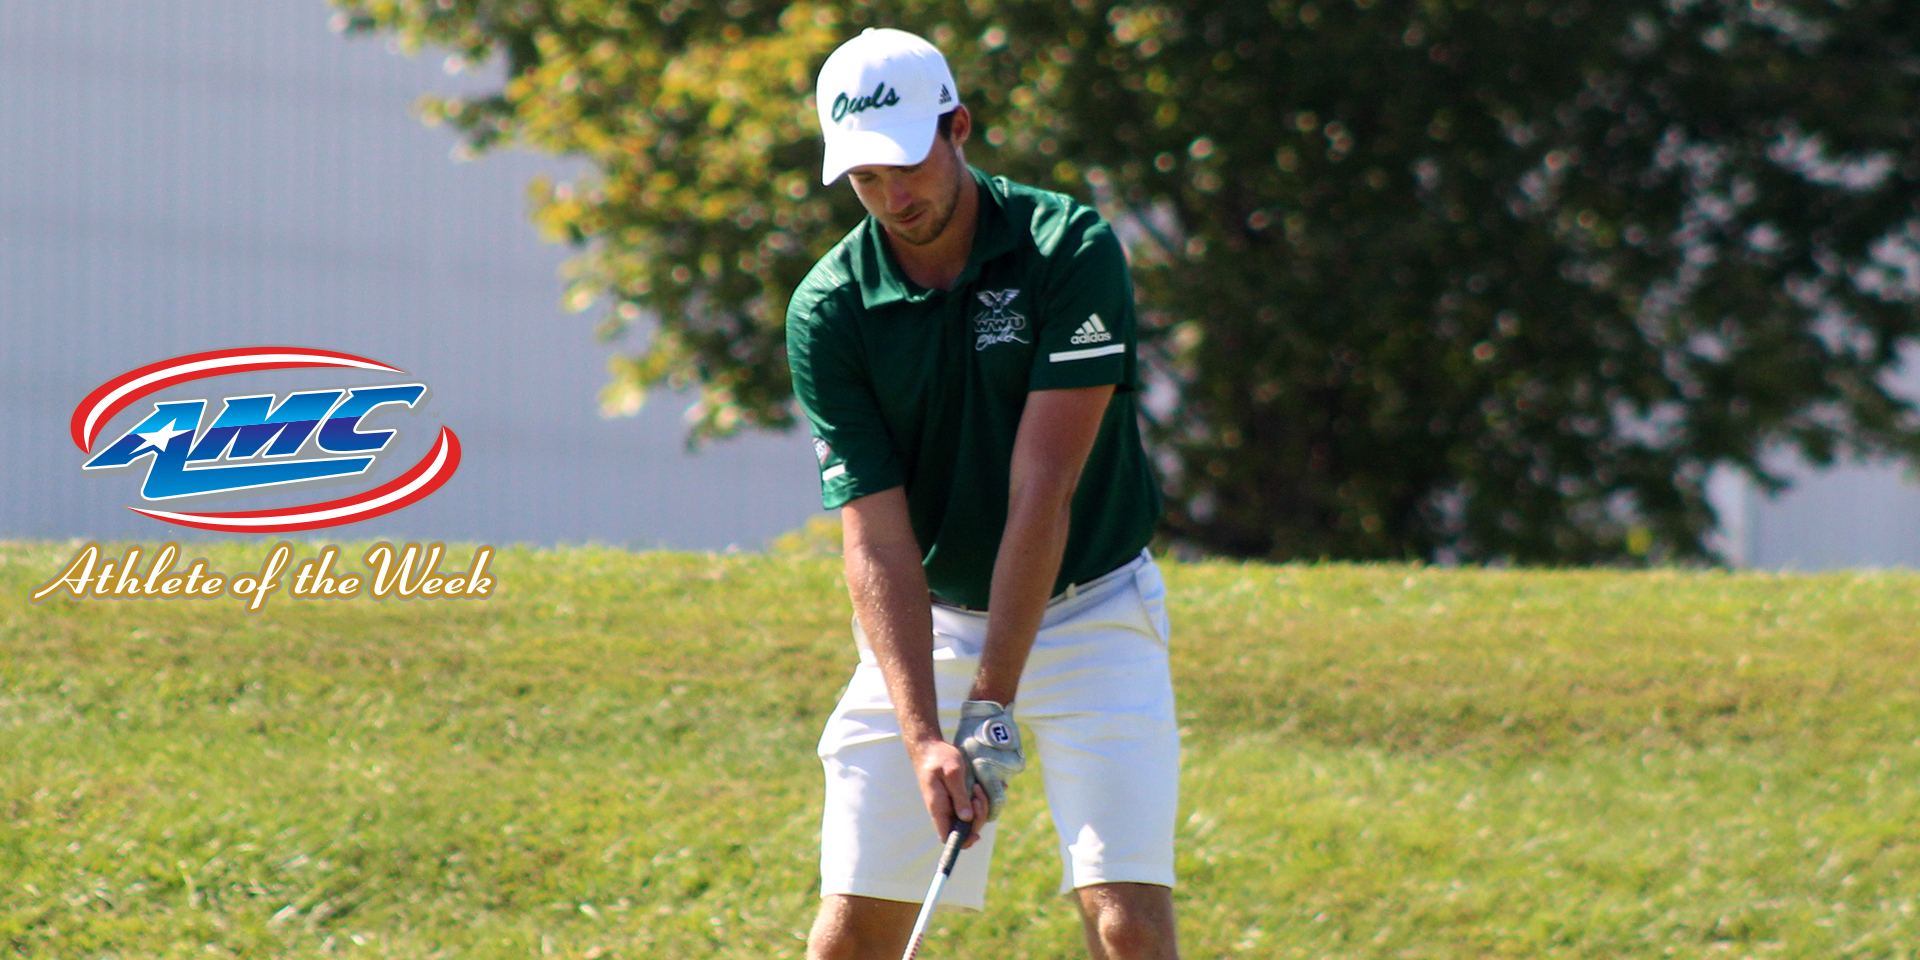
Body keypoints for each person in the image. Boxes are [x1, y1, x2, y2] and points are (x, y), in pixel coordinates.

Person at [786, 27, 1180, 960]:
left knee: (1125, 920)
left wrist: (991, 707)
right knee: (853, 934)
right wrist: (929, 734)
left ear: (958, 126)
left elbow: (1042, 490)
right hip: (936, 623)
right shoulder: (831, 308)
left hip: (1093, 607)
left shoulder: (1067, 248)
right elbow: (875, 541)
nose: (894, 198)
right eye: (867, 180)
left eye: (908, 167)